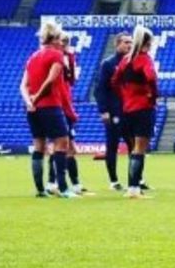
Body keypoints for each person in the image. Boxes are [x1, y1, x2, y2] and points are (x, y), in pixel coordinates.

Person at [20, 20, 72, 198]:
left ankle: (40, 190)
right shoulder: (56, 56)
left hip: (33, 110)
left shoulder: (33, 57)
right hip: (50, 105)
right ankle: (63, 188)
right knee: (61, 142)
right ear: (55, 39)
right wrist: (37, 97)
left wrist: (29, 102)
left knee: (38, 146)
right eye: (60, 40)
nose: (62, 43)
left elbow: (23, 85)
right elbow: (51, 80)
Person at [110, 25, 158, 198]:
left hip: (127, 109)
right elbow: (151, 77)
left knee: (133, 148)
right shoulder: (144, 59)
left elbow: (114, 81)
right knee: (139, 148)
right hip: (143, 108)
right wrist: (152, 96)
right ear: (147, 42)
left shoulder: (125, 60)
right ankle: (134, 189)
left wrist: (125, 95)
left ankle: (133, 187)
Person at [48, 31, 87, 194]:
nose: (65, 44)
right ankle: (54, 183)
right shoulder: (53, 60)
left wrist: (70, 57)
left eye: (67, 41)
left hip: (66, 107)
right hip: (59, 108)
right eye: (62, 41)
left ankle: (71, 184)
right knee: (63, 147)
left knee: (68, 149)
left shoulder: (63, 61)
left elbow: (71, 80)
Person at [94, 31, 132, 191]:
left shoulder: (133, 62)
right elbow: (100, 89)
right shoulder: (108, 64)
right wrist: (104, 110)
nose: (129, 45)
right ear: (117, 44)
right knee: (112, 146)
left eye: (130, 42)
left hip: (130, 110)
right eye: (125, 42)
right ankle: (113, 181)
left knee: (134, 145)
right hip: (114, 111)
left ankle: (136, 178)